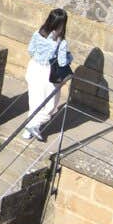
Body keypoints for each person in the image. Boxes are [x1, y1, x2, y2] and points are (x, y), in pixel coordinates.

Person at [23, 9, 71, 142]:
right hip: (48, 73)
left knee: (34, 102)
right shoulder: (61, 42)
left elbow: (31, 50)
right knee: (50, 105)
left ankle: (28, 131)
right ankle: (32, 125)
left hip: (33, 68)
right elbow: (62, 62)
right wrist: (69, 57)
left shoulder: (38, 34)